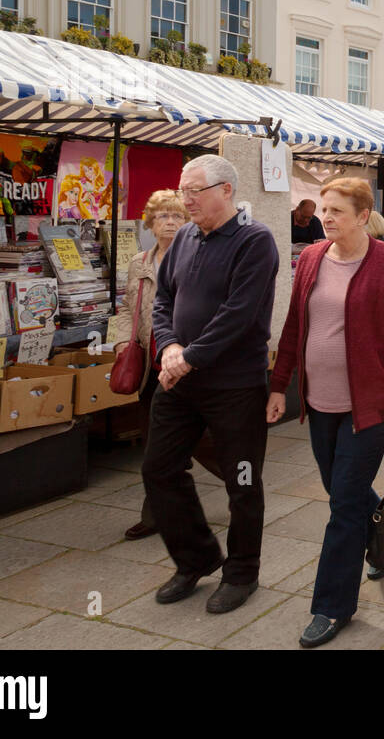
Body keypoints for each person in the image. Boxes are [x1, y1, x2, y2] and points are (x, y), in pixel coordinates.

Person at [268, 177, 384, 648]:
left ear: (362, 216)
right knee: (344, 492)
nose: (326, 217)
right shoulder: (312, 257)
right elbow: (295, 324)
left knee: (341, 507)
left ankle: (332, 607)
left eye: (336, 211)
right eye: (325, 210)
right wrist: (279, 386)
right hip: (319, 402)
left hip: (369, 407)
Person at [142, 154, 280, 615]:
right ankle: (196, 559)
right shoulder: (183, 237)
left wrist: (188, 358)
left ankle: (242, 572)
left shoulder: (254, 240)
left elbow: (239, 316)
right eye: (183, 190)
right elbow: (163, 300)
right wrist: (168, 349)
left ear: (225, 191)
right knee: (158, 469)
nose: (186, 200)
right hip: (179, 378)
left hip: (234, 385)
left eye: (194, 191)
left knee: (242, 482)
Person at [110, 189, 223, 541]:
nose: (170, 223)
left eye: (176, 216)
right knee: (154, 445)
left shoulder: (199, 259)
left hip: (189, 364)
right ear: (150, 223)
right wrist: (120, 342)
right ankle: (157, 513)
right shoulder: (139, 263)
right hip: (150, 367)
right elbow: (126, 308)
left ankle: (242, 480)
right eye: (162, 217)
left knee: (202, 440)